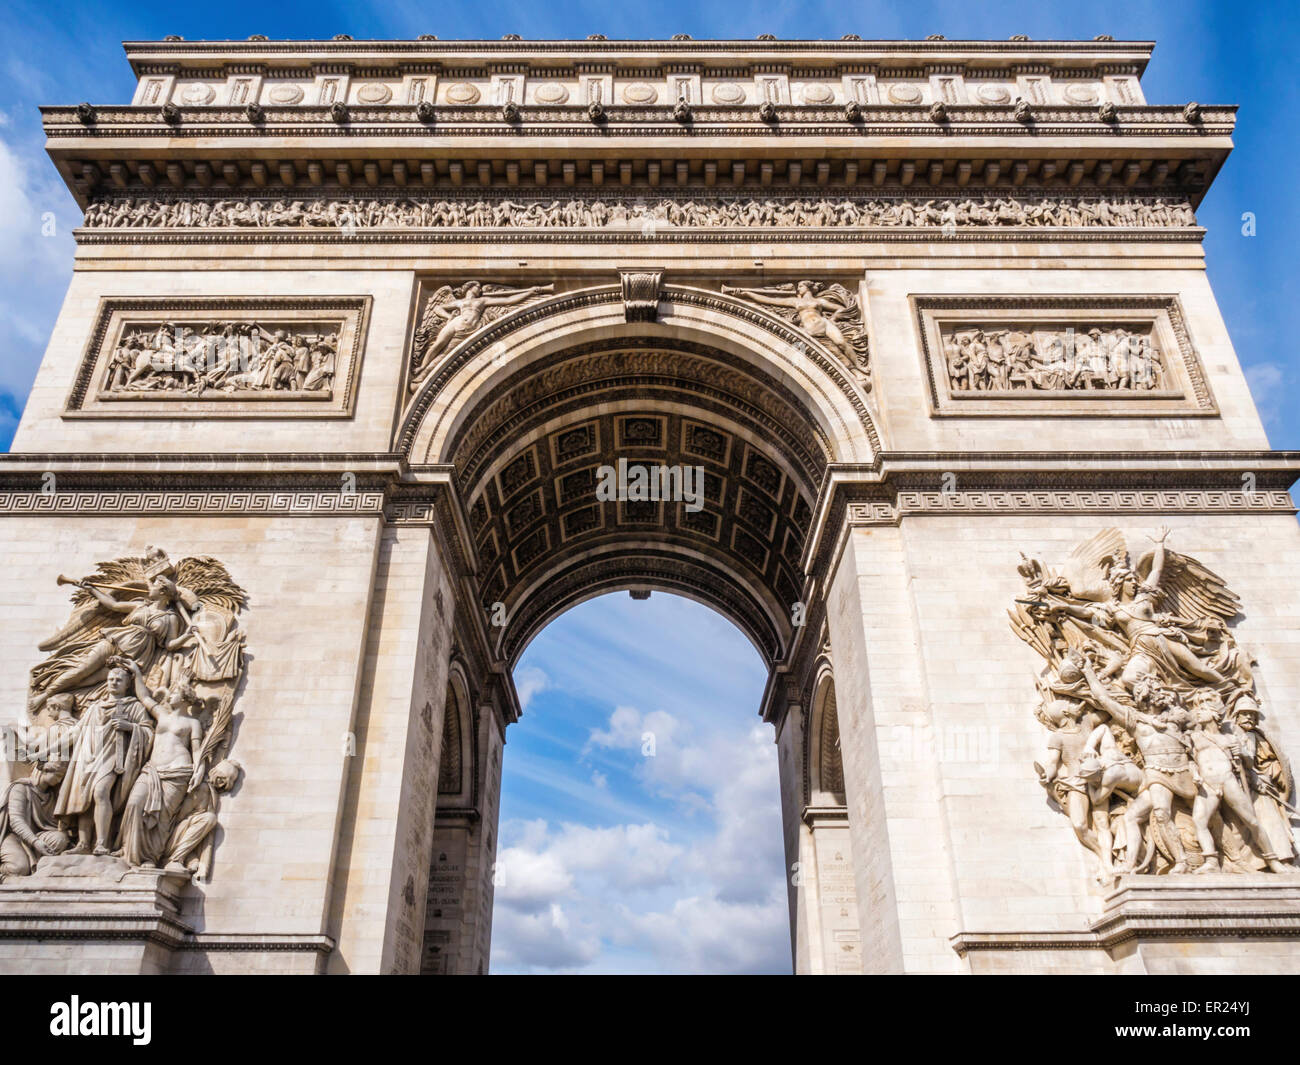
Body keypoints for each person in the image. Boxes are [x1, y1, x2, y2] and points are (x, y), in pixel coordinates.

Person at [53, 664, 154, 856]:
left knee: (100, 791)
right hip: (89, 756)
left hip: (115, 757)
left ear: (127, 685)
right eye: (110, 679)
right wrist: (41, 751)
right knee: (86, 796)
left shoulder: (134, 706)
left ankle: (101, 842)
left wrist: (130, 727)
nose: (113, 683)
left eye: (118, 680)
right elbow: (75, 733)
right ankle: (83, 843)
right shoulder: (94, 708)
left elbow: (148, 731)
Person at [117, 659, 205, 868]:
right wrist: (137, 673)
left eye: (174, 693)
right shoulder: (161, 715)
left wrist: (199, 770)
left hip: (177, 773)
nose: (169, 695)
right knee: (134, 803)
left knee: (163, 817)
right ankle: (129, 850)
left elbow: (197, 750)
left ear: (184, 698)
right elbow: (144, 697)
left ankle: (150, 858)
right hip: (152, 770)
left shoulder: (193, 723)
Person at [0, 762, 70, 880]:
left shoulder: (52, 795)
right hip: (15, 837)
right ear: (45, 771)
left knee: (60, 838)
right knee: (19, 868)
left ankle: (41, 867)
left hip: (39, 835)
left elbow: (50, 824)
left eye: (61, 777)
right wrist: (35, 842)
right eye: (58, 776)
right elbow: (16, 821)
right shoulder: (20, 788)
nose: (59, 780)